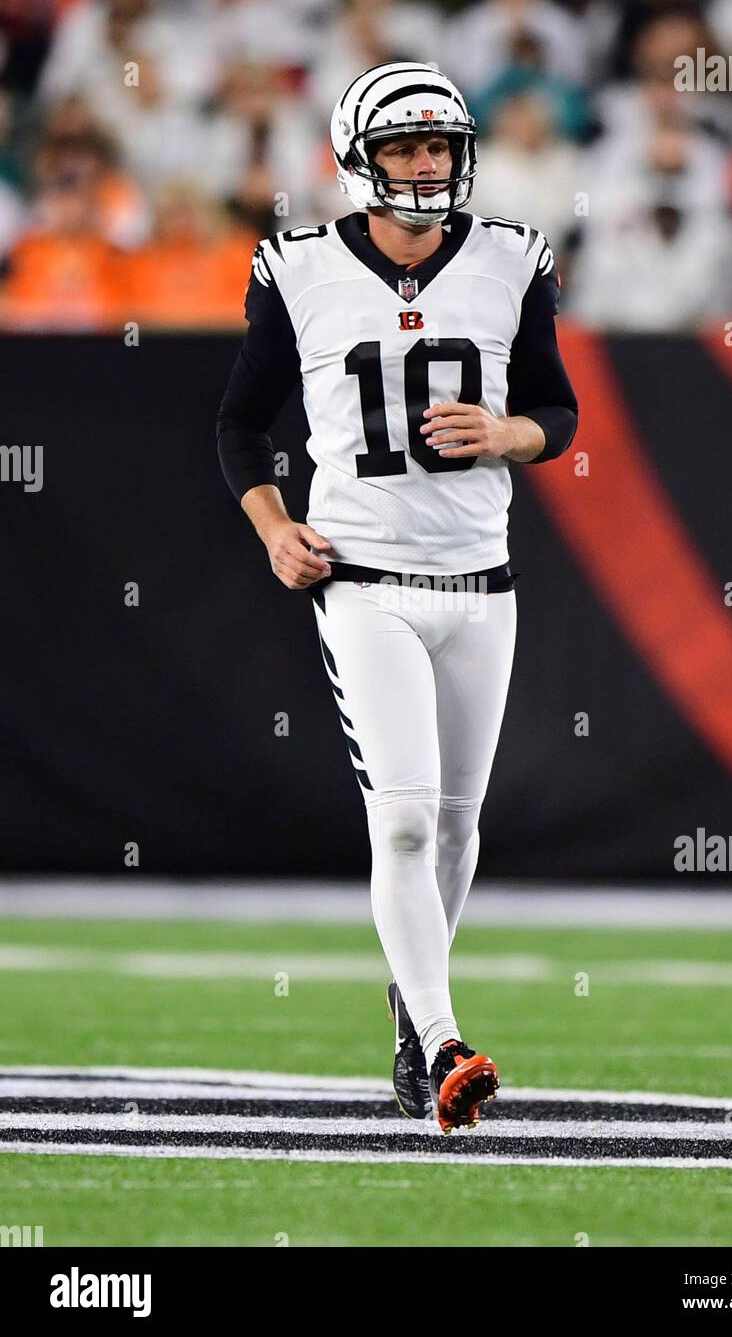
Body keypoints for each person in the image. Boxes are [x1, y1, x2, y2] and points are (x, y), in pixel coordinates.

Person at [216, 61, 578, 1133]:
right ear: (358, 158)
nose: (424, 165)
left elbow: (555, 408)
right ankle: (446, 1041)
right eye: (402, 148)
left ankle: (410, 1017)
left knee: (460, 832)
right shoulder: (298, 265)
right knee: (409, 824)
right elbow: (241, 424)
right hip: (364, 580)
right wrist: (278, 529)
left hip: (482, 580)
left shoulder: (515, 257)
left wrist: (508, 434)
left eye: (438, 147)